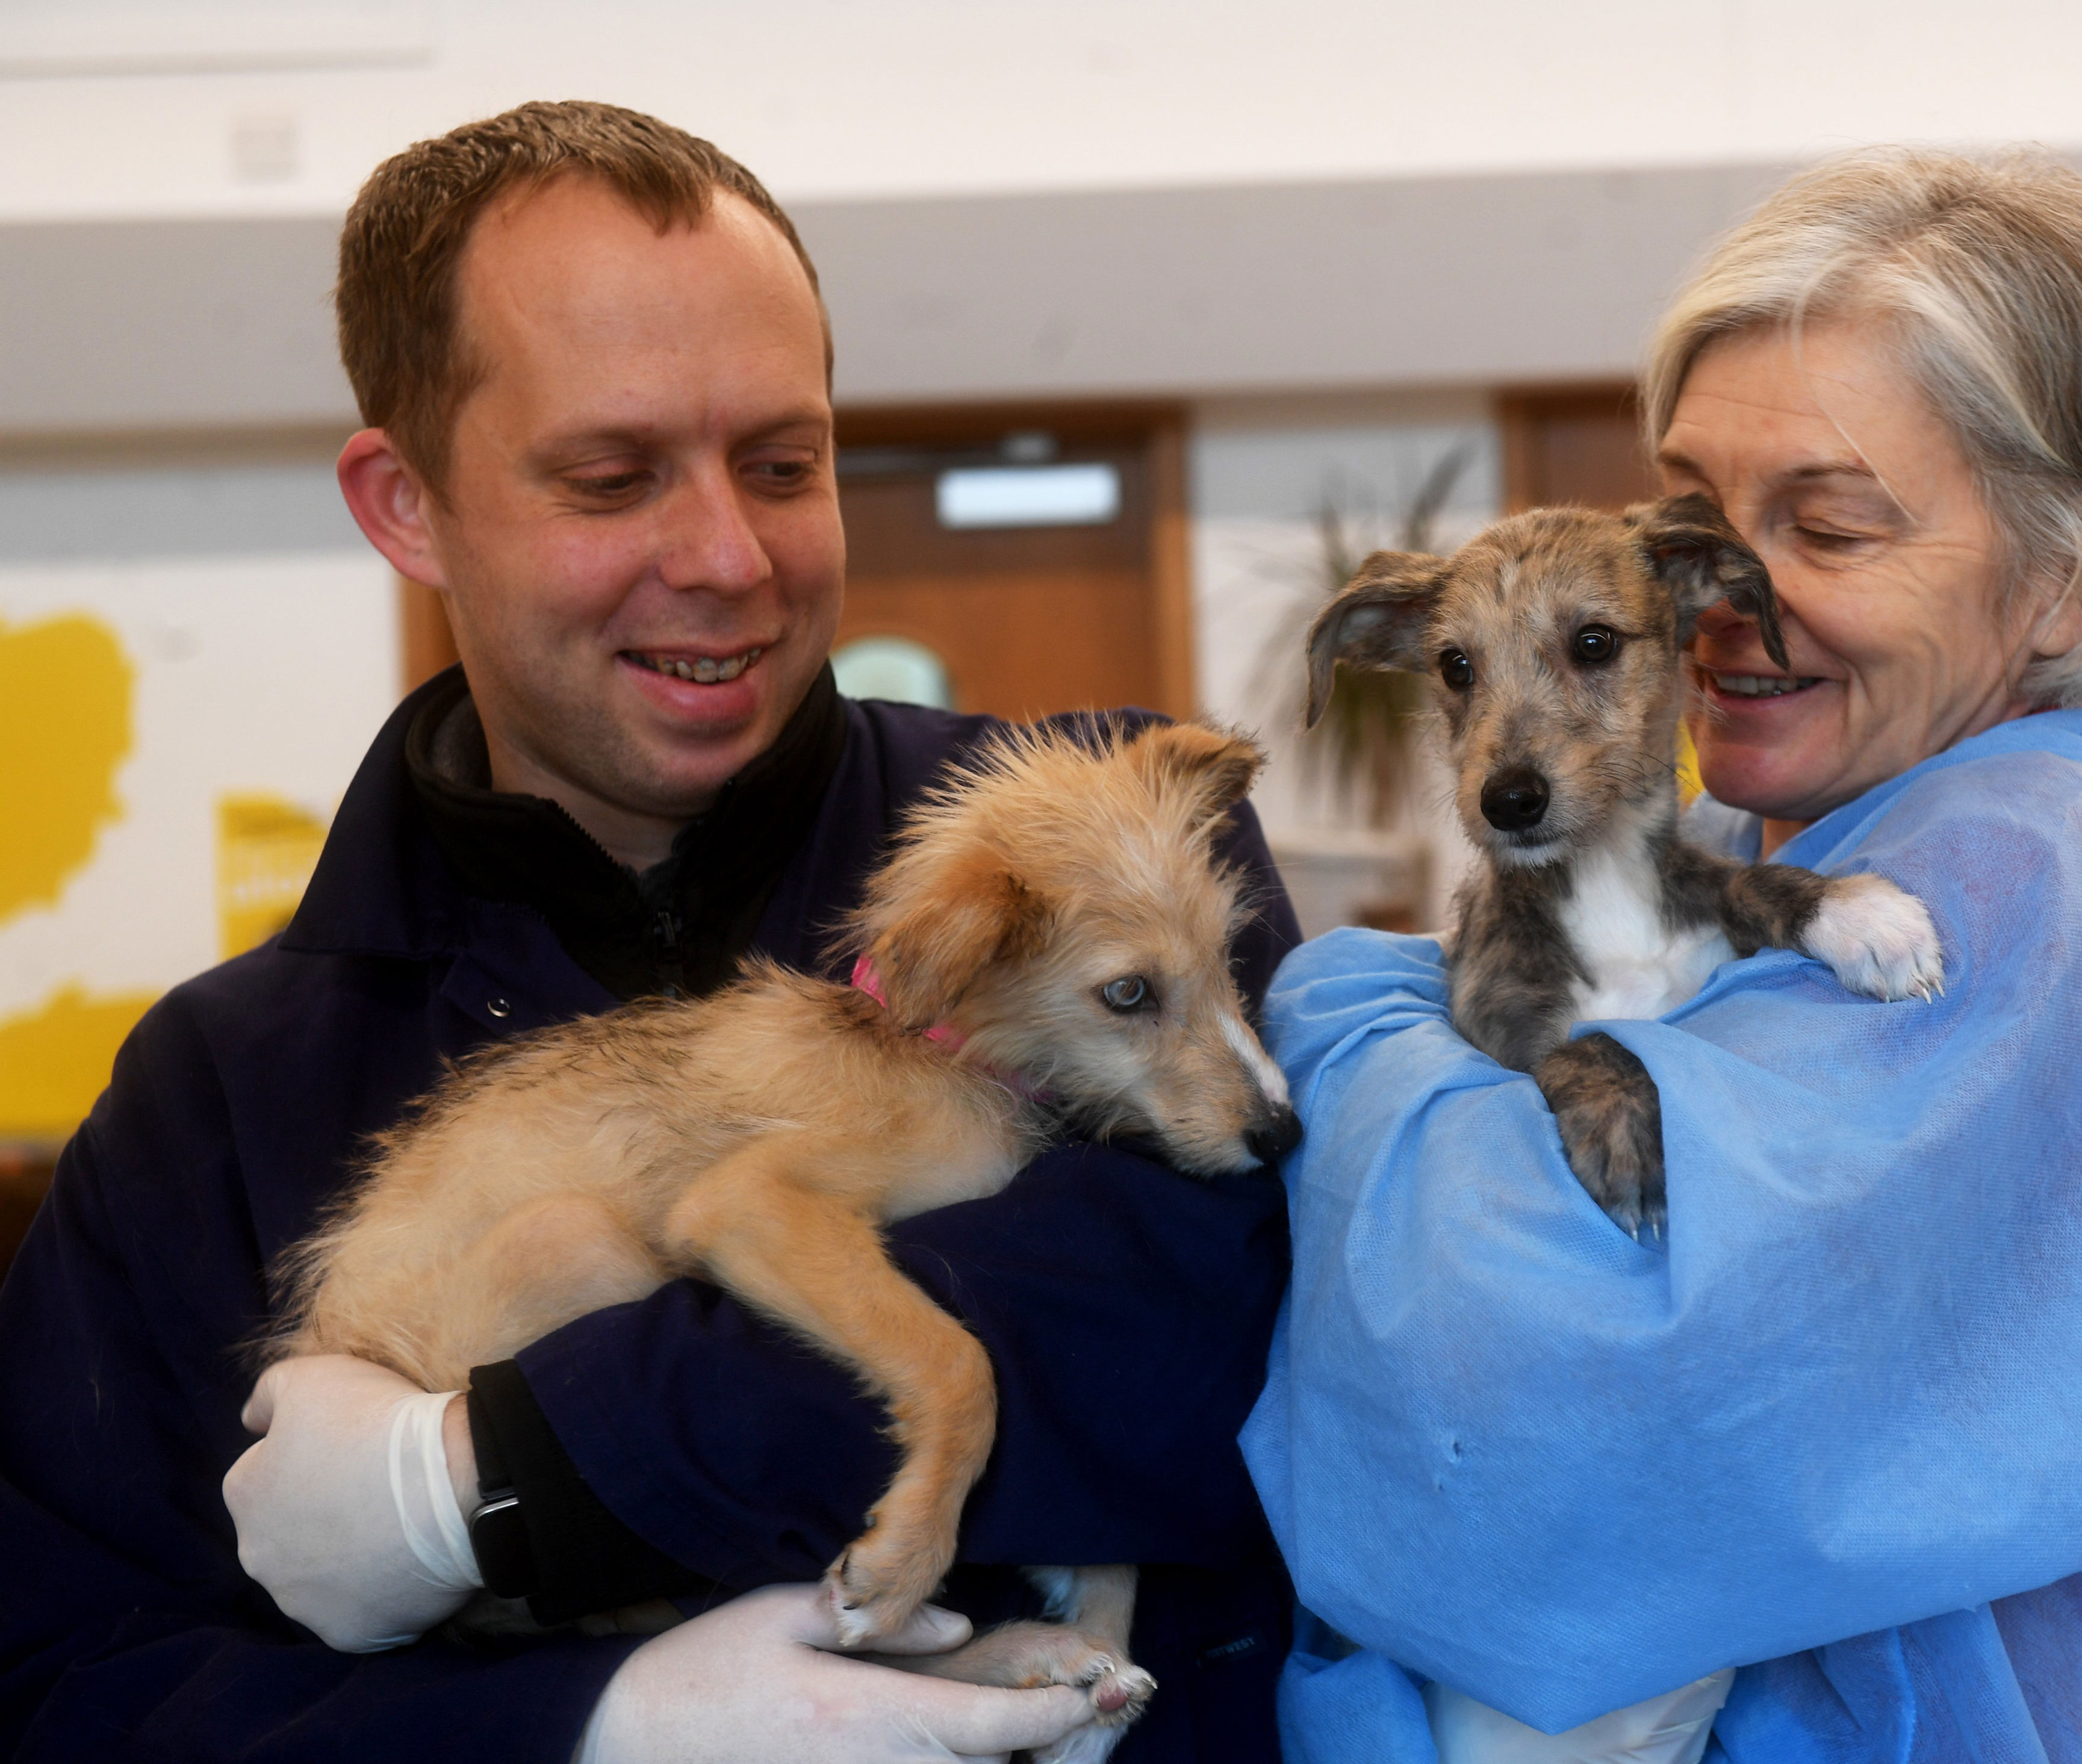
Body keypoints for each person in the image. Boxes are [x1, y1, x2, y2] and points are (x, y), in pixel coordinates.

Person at [0, 102, 1301, 1763]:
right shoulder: (224, 1091)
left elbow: (1213, 1303)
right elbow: (77, 1690)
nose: (725, 556)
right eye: (610, 479)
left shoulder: (1109, 849)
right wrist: (584, 1720)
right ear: (407, 507)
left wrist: (506, 1472)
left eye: (784, 463)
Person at [1242, 149, 2082, 1761]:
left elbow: (1514, 1353)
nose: (1713, 597)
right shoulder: (1774, 854)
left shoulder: (2041, 870)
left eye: (1830, 527)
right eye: (1692, 520)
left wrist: (1349, 1019)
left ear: (2061, 582)